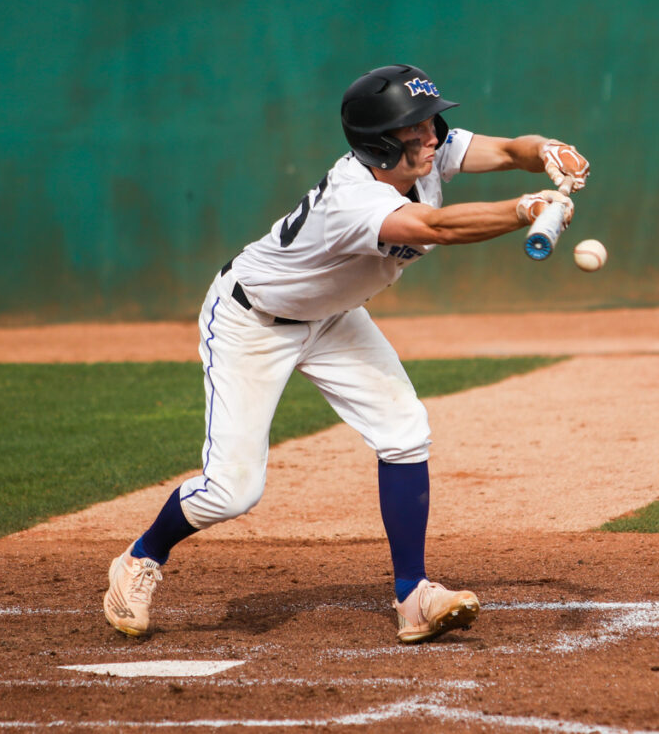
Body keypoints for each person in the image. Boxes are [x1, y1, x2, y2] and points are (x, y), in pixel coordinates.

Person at [103, 63, 590, 643]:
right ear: (382, 144)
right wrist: (522, 212)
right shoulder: (353, 201)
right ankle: (139, 559)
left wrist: (550, 152)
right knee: (232, 491)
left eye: (431, 120)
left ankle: (414, 595)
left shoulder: (428, 151)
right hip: (252, 322)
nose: (433, 133)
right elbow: (436, 226)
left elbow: (511, 150)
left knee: (404, 430)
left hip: (332, 316)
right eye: (416, 127)